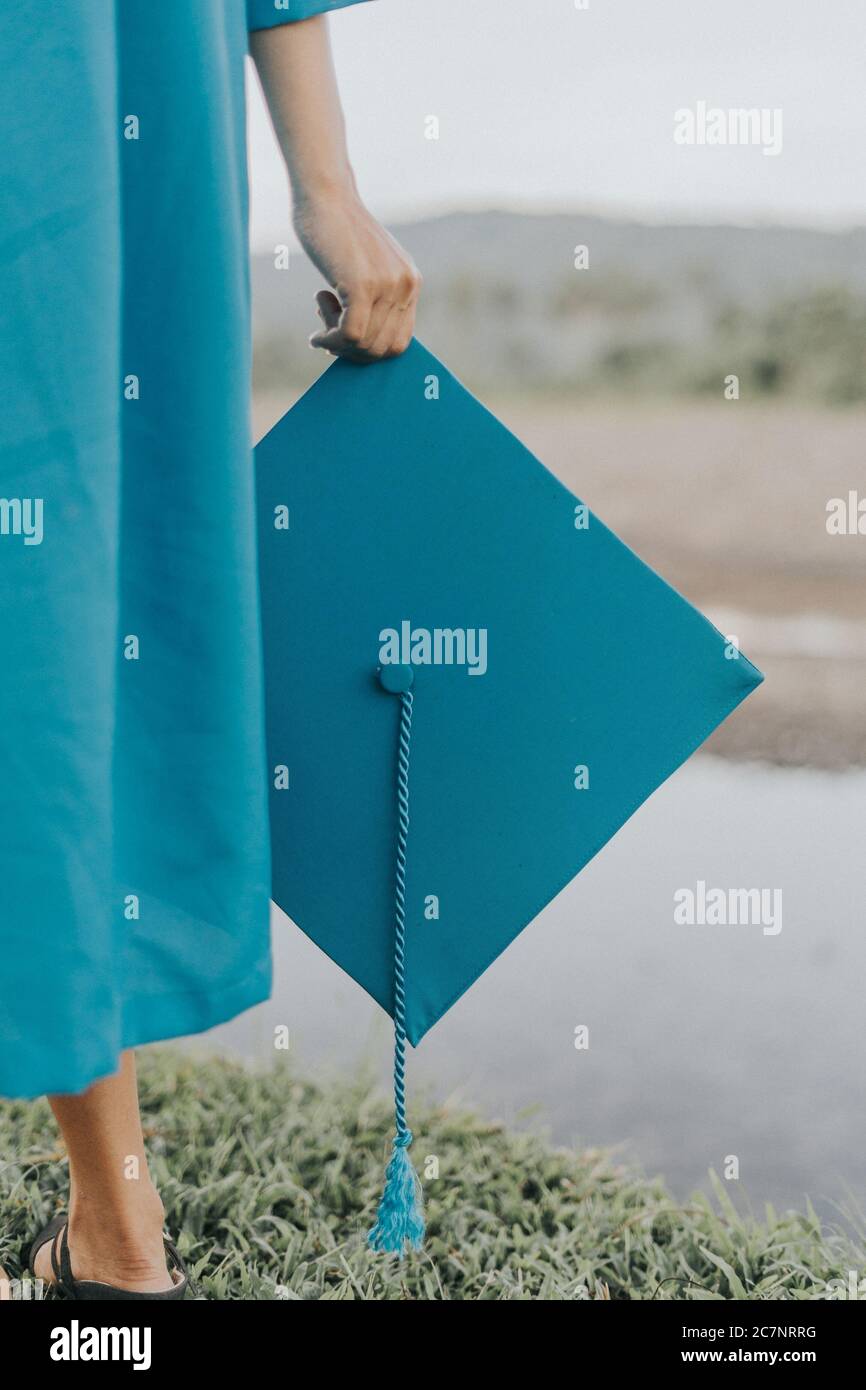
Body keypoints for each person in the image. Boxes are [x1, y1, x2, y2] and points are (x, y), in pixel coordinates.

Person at [0, 0, 419, 1299]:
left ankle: (120, 1238)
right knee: (49, 641)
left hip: (92, 111)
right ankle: (119, 1245)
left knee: (54, 644)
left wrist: (330, 185)